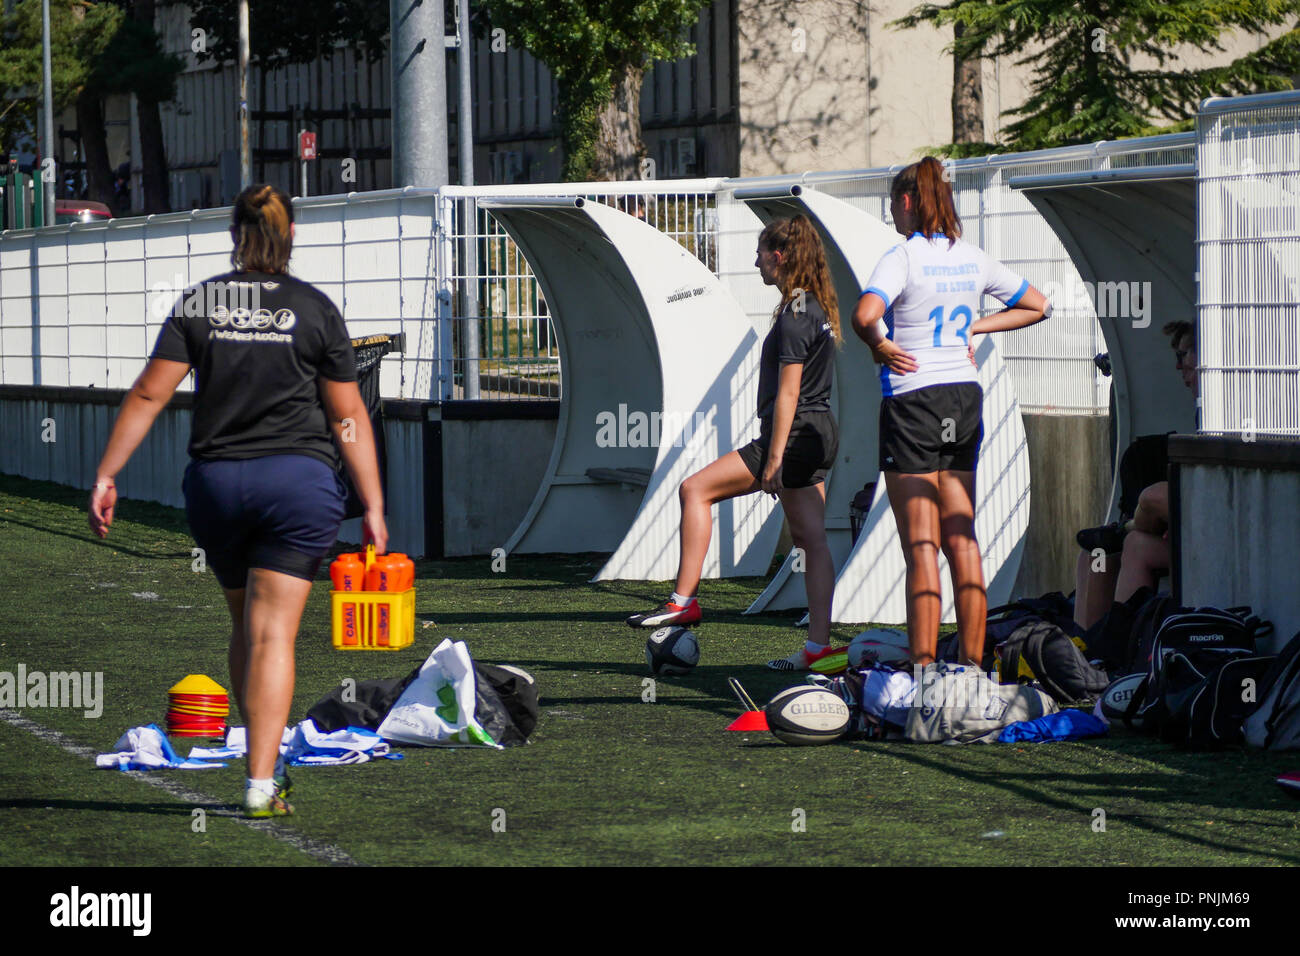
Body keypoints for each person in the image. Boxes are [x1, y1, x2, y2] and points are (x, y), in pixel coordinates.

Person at [88, 184, 387, 818]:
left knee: (245, 625)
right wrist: (374, 503)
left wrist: (107, 474)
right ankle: (261, 781)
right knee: (273, 633)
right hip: (298, 487)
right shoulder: (314, 309)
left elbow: (148, 394)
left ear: (234, 233)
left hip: (217, 487)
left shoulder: (199, 303)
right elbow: (348, 415)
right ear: (293, 234)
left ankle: (259, 753)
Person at [852, 157, 1051, 667]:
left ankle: (922, 671)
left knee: (921, 546)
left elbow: (865, 315)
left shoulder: (903, 256)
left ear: (906, 201)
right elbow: (1039, 305)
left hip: (913, 398)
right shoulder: (973, 256)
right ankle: (971, 665)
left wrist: (879, 345)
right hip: (962, 396)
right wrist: (973, 330)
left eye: (893, 205)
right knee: (961, 536)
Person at [626, 215, 844, 672]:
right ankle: (819, 646)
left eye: (760, 253)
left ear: (778, 257)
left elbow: (788, 392)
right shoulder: (810, 305)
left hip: (796, 436)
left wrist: (775, 460)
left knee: (695, 489)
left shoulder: (795, 314)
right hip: (819, 431)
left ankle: (683, 601)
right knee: (811, 540)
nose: (755, 262)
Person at [1072, 320, 1198, 629]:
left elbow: (1163, 496)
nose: (1179, 366)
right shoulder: (1202, 408)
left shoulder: (1229, 407)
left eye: (1184, 356)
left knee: (1140, 526)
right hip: (1194, 525)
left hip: (1217, 533)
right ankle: (1086, 652)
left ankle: (1115, 649)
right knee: (1098, 553)